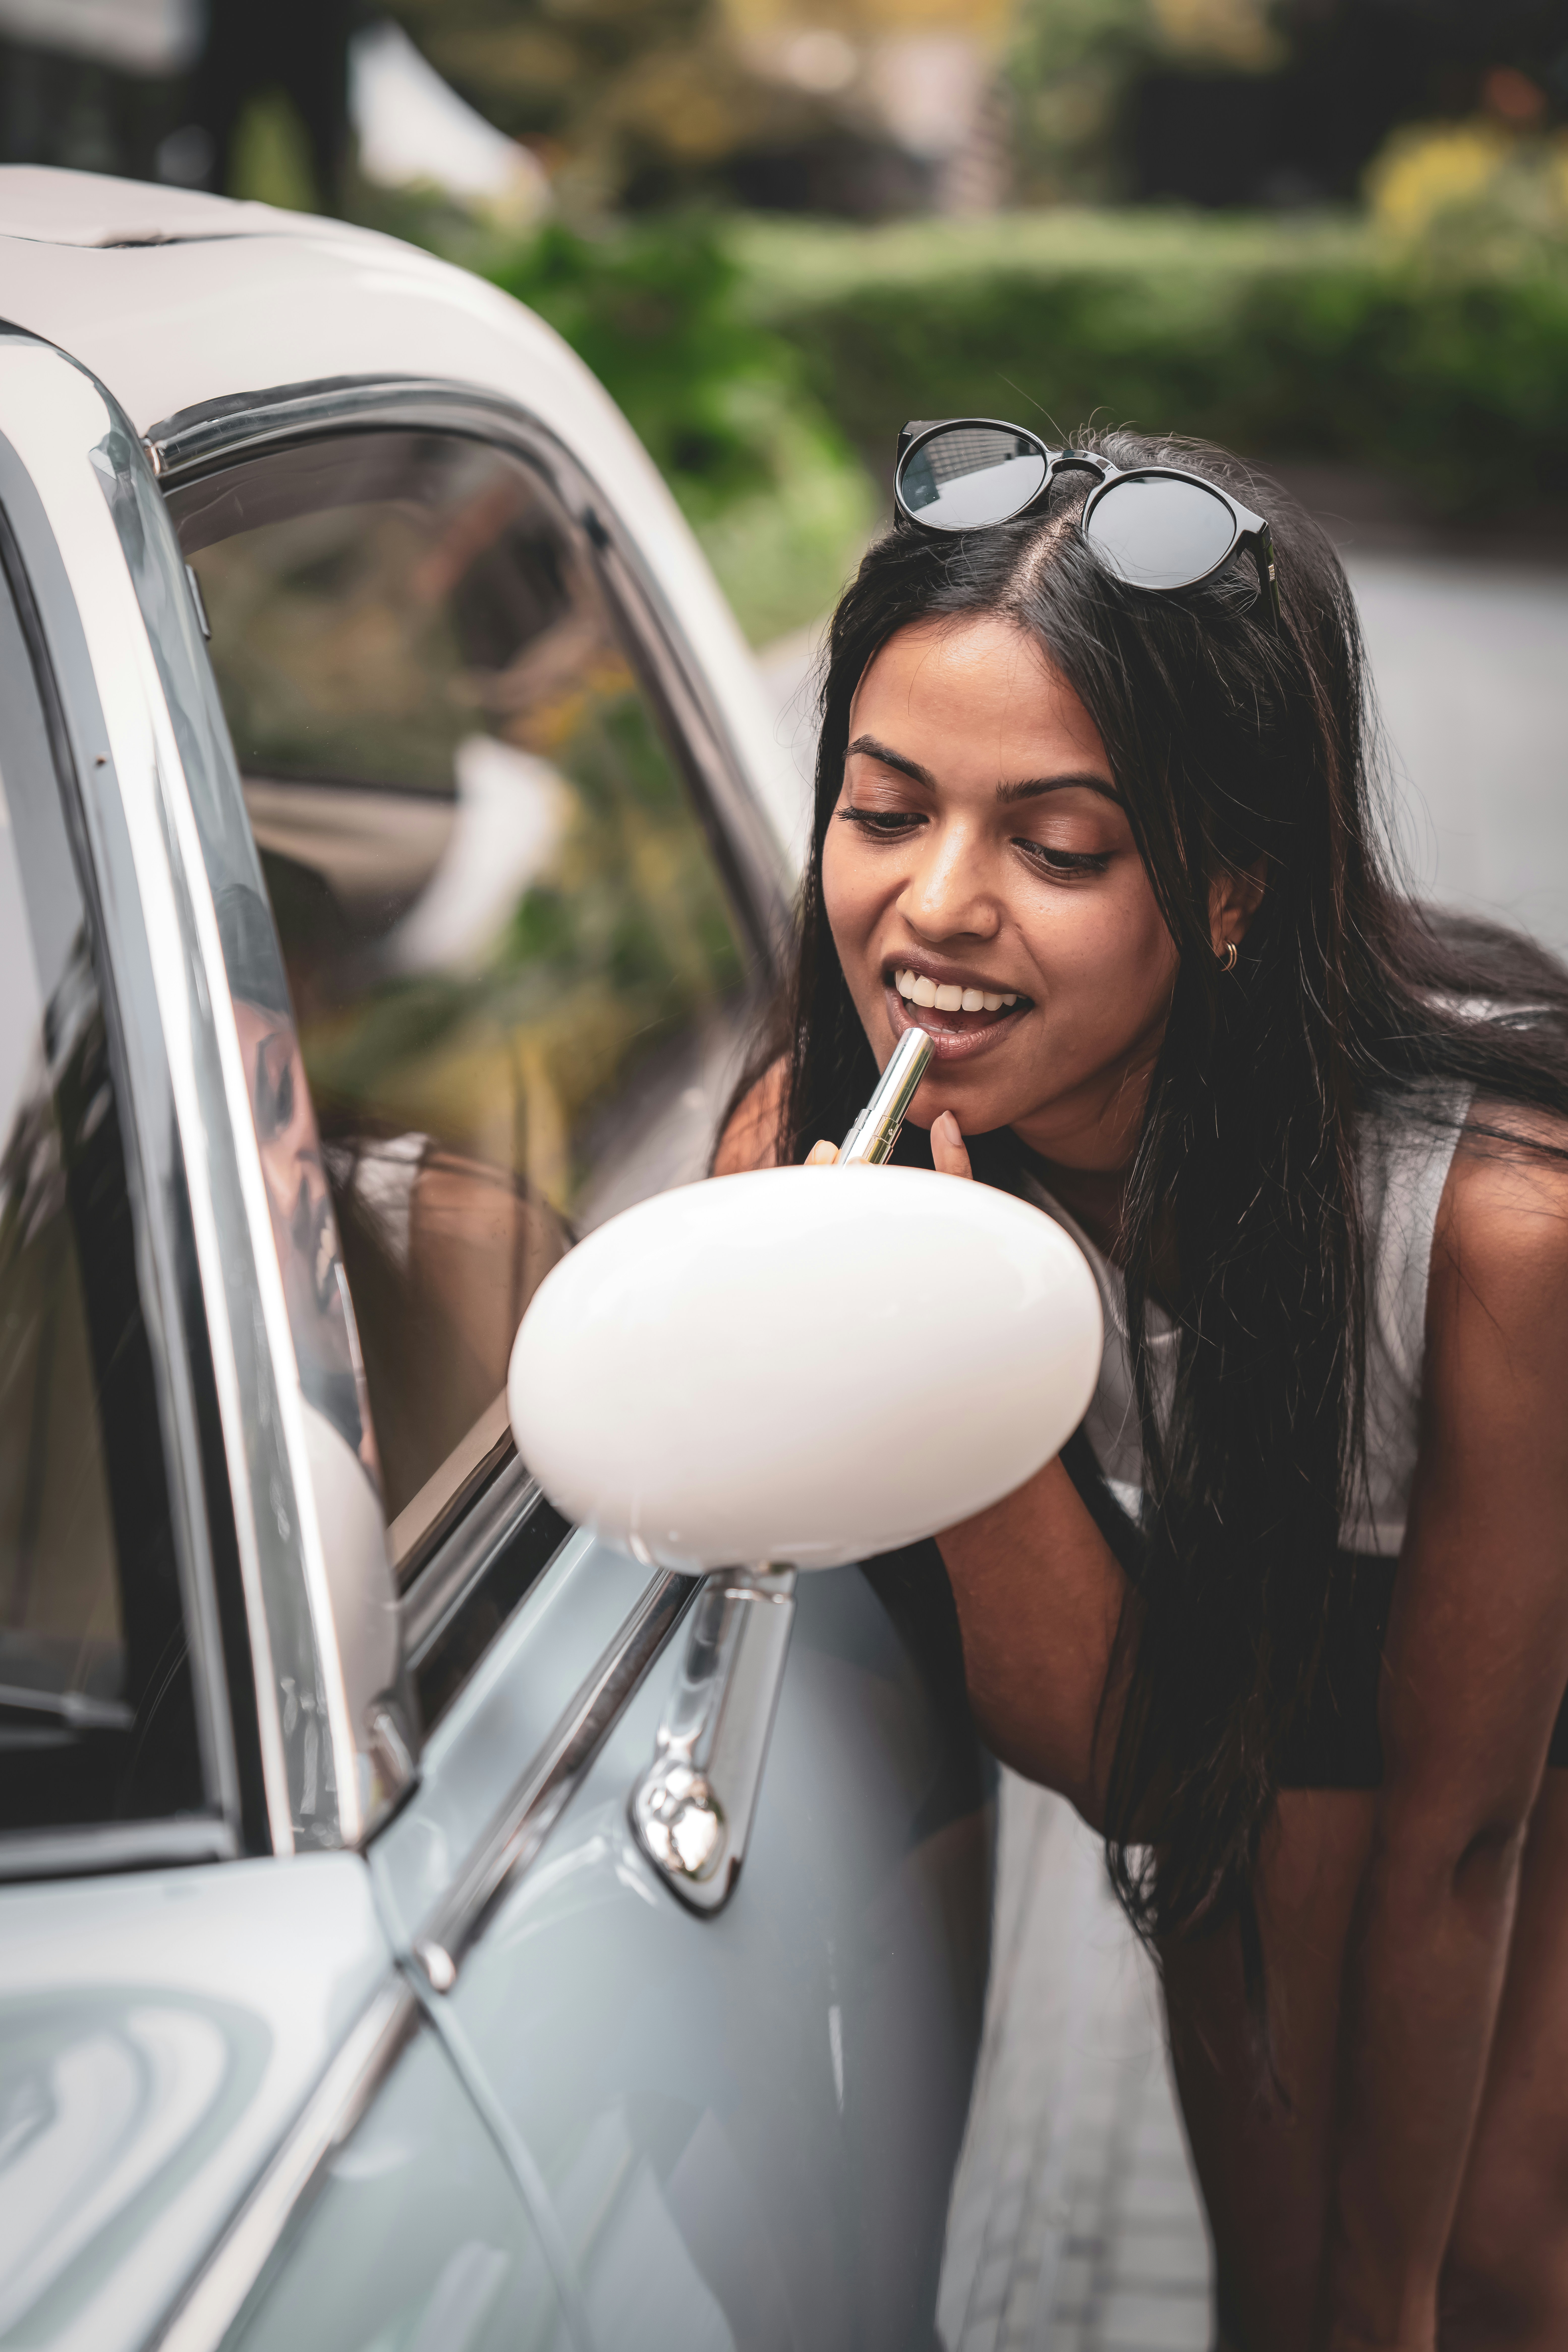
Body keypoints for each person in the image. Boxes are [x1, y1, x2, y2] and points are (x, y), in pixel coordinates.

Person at [715, 424, 1568, 2352]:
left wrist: (1392, 2291)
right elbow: (1124, 1761)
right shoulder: (826, 1160)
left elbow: (1464, 1832)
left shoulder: (1497, 1228)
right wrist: (937, 1311)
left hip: (1512, 1697)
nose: (936, 907)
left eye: (1058, 845)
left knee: (1491, 2270)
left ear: (1235, 884)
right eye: (883, 809)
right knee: (1272, 2287)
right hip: (1238, 1696)